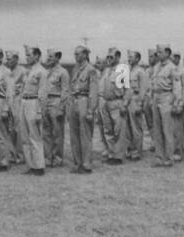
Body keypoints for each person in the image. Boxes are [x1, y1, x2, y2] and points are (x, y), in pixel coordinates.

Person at [149, 45, 183, 169]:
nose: (158, 54)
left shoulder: (172, 68)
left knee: (167, 129)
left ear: (168, 53)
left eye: (160, 52)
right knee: (156, 129)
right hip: (156, 97)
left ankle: (169, 157)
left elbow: (177, 87)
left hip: (166, 97)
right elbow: (152, 83)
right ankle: (159, 157)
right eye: (157, 52)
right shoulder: (156, 67)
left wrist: (176, 103)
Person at [67, 44, 97, 173]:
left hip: (84, 101)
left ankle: (86, 165)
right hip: (74, 101)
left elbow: (93, 92)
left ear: (85, 55)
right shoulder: (75, 69)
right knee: (74, 135)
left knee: (85, 135)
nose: (76, 56)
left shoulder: (90, 70)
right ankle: (77, 163)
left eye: (78, 54)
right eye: (75, 54)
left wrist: (91, 110)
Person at [97, 47, 128, 165]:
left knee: (118, 130)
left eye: (112, 57)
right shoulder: (106, 71)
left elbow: (128, 90)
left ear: (118, 57)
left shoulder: (122, 70)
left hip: (117, 102)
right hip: (106, 103)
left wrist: (125, 104)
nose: (109, 59)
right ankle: (111, 153)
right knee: (108, 129)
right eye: (108, 57)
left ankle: (118, 156)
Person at [43, 50, 69, 168]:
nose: (48, 58)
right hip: (46, 102)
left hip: (56, 102)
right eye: (48, 56)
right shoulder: (46, 71)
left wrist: (62, 108)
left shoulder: (63, 72)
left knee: (57, 133)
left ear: (58, 57)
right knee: (46, 132)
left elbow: (65, 91)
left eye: (51, 56)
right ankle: (48, 158)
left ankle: (57, 158)